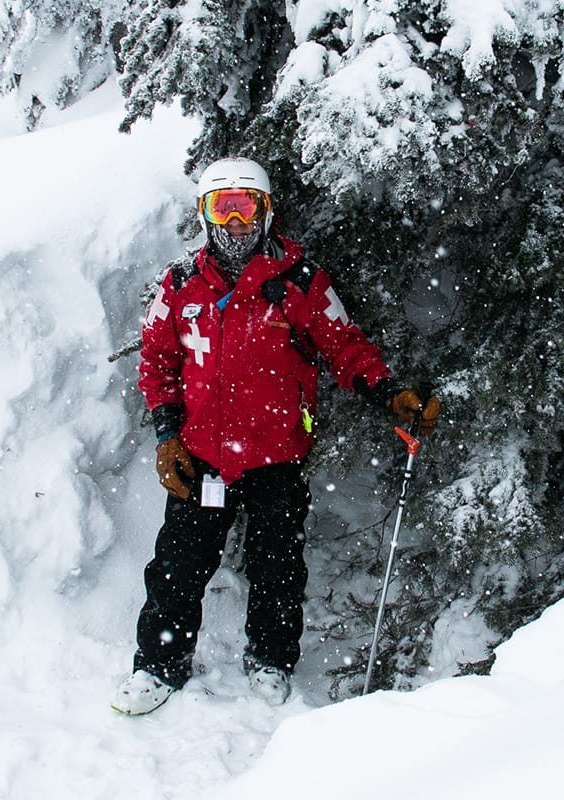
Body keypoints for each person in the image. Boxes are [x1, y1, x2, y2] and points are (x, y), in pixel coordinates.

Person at [112, 157, 441, 715]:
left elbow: (344, 347)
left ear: (266, 213)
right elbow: (158, 364)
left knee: (277, 565)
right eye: (224, 207)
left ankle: (269, 659)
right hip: (202, 457)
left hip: (276, 454)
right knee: (178, 563)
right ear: (206, 215)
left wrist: (389, 393)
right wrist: (168, 436)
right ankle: (159, 665)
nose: (236, 221)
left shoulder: (301, 282)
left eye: (248, 207)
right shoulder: (180, 287)